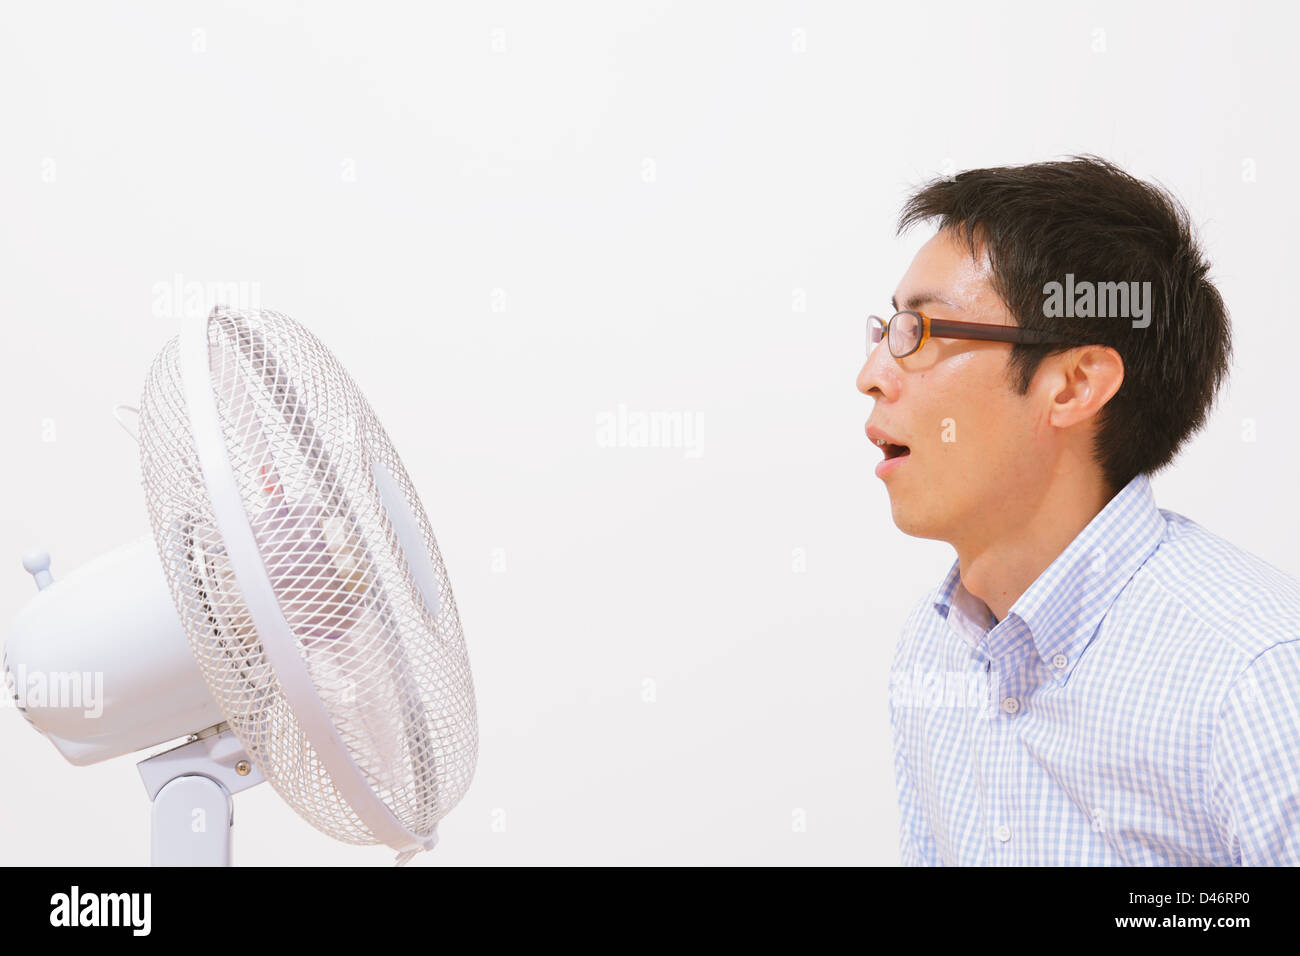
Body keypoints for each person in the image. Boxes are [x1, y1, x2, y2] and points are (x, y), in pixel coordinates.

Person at [859, 156, 1300, 865]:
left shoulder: (1259, 684)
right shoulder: (935, 648)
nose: (872, 374)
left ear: (1072, 385)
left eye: (923, 332)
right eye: (884, 331)